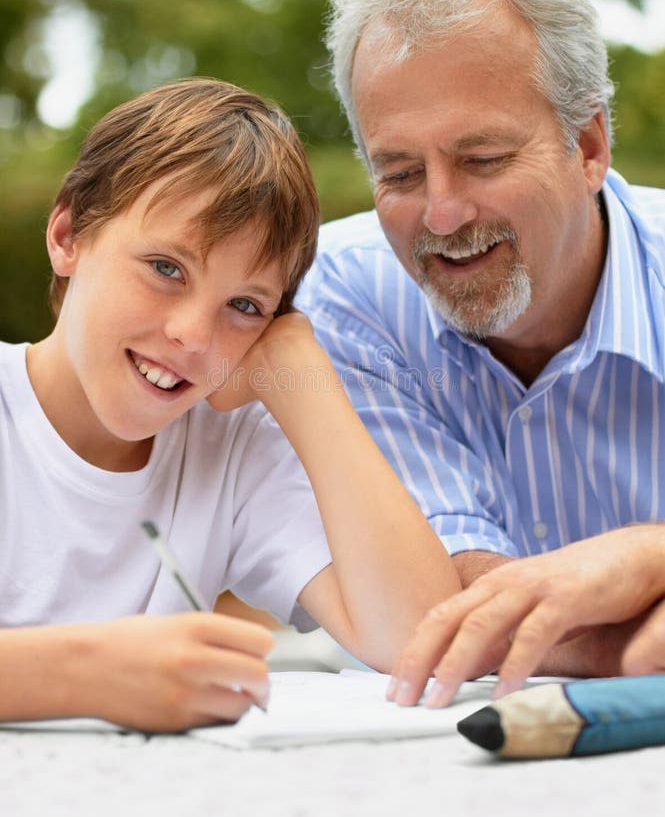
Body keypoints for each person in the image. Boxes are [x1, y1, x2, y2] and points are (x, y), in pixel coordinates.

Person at [0, 77, 461, 731]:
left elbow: (422, 642)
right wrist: (85, 673)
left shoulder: (231, 450)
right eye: (166, 268)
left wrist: (304, 381)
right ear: (69, 233)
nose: (193, 335)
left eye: (244, 306)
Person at [295, 0, 665, 706]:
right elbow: (445, 601)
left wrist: (646, 555)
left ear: (590, 145)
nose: (440, 212)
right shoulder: (342, 299)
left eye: (483, 160)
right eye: (397, 173)